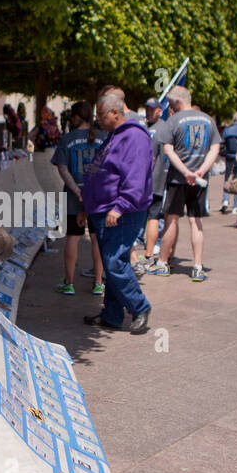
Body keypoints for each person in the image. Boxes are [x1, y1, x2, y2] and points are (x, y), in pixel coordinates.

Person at [81, 88, 153, 333]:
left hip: (122, 212)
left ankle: (140, 307)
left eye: (101, 115)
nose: (97, 120)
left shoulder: (134, 137)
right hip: (103, 210)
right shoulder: (115, 135)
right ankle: (112, 315)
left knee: (114, 262)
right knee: (112, 263)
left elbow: (136, 176)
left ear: (115, 113)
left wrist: (120, 207)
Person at [152, 86, 220, 282]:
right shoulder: (208, 120)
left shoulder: (173, 121)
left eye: (172, 104)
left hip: (177, 179)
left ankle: (163, 262)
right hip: (199, 180)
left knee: (171, 219)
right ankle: (197, 266)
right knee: (195, 220)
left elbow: (168, 150)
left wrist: (185, 172)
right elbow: (215, 149)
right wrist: (201, 170)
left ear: (177, 103)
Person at [52, 101, 105, 296]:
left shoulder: (68, 139)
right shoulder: (103, 138)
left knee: (73, 238)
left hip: (74, 197)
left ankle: (69, 282)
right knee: (97, 239)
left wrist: (77, 191)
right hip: (98, 197)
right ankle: (98, 282)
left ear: (76, 117)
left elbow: (62, 168)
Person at [134, 97, 167, 275]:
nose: (148, 112)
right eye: (147, 109)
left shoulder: (160, 129)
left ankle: (148, 252)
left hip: (154, 181)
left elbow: (151, 158)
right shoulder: (147, 127)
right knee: (149, 216)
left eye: (152, 109)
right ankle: (145, 251)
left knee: (152, 216)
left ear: (159, 111)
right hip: (145, 182)